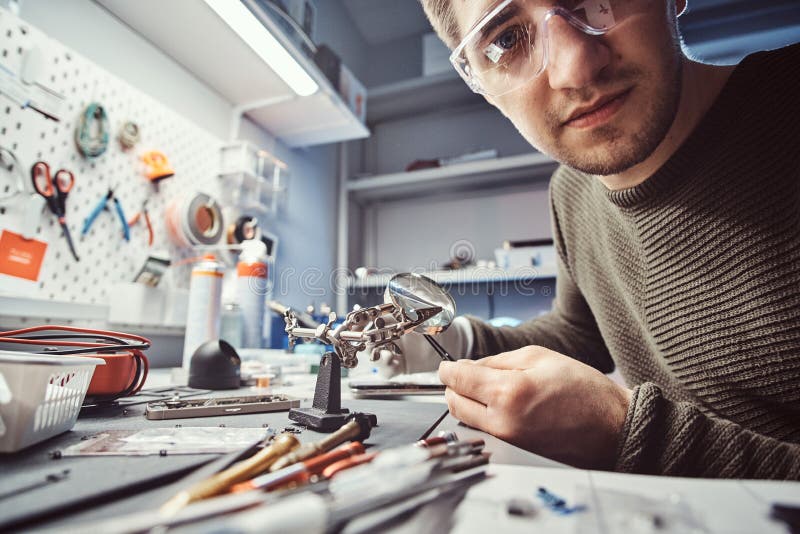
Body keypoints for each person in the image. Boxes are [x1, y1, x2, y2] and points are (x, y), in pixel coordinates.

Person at [375, 0, 800, 479]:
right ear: (478, 83)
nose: (575, 66)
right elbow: (581, 334)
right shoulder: (572, 191)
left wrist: (629, 434)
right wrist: (458, 338)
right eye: (507, 39)